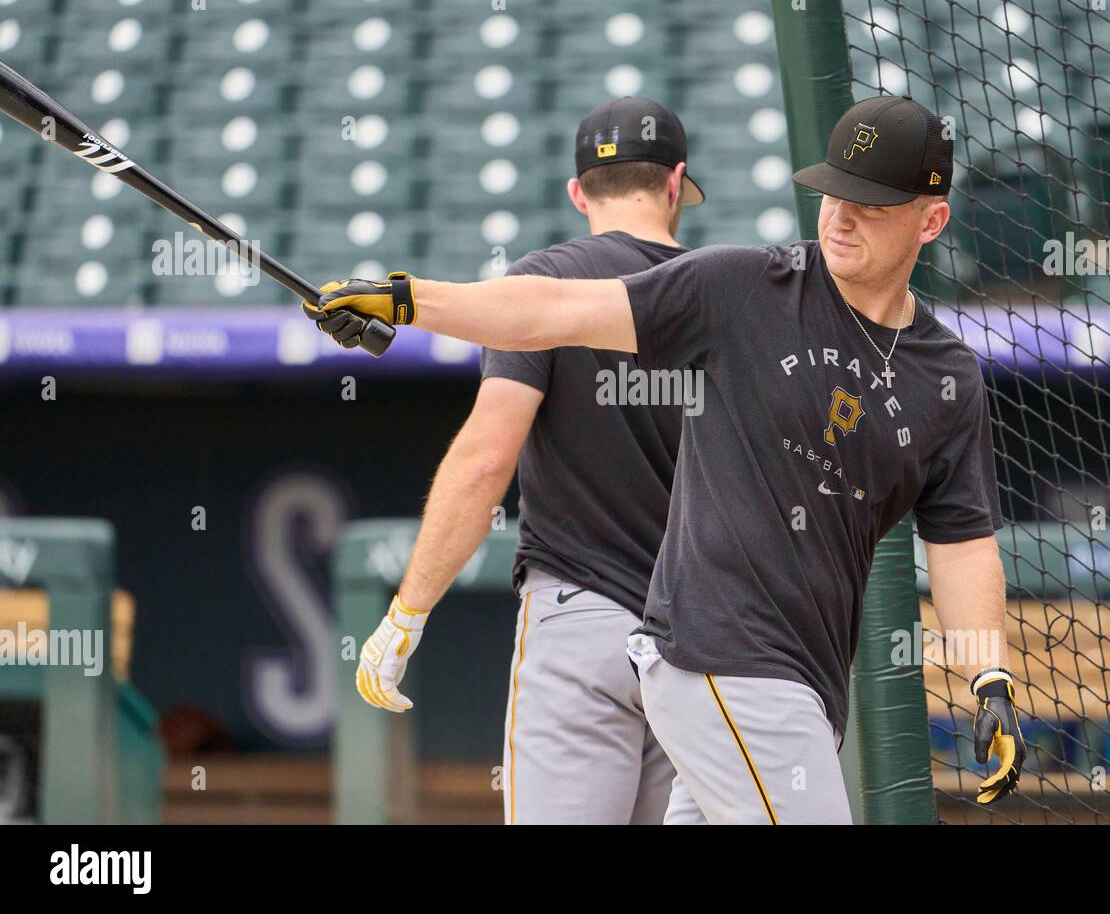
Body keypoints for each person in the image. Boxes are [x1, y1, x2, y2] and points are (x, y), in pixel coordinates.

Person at [309, 95, 1026, 824]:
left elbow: (962, 542)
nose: (840, 216)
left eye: (869, 203)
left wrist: (987, 676)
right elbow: (551, 311)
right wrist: (407, 299)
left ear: (931, 220)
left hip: (802, 680)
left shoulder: (947, 376)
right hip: (722, 658)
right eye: (833, 193)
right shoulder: (745, 287)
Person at [346, 97, 705, 824]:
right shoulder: (718, 295)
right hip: (700, 640)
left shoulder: (539, 287)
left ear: (578, 192)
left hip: (580, 624)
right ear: (675, 184)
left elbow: (485, 460)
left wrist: (406, 615)